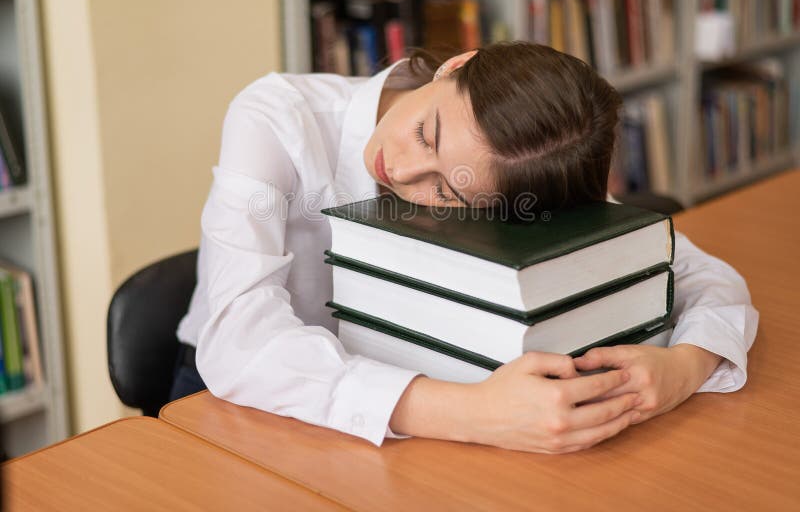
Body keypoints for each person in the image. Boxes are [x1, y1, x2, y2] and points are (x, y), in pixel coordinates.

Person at [171, 41, 758, 454]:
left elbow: (704, 274)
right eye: (428, 132)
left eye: (448, 191)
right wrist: (474, 415)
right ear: (456, 65)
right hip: (242, 398)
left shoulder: (522, 170)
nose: (400, 168)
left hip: (419, 392)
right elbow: (238, 343)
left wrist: (685, 367)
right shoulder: (277, 118)